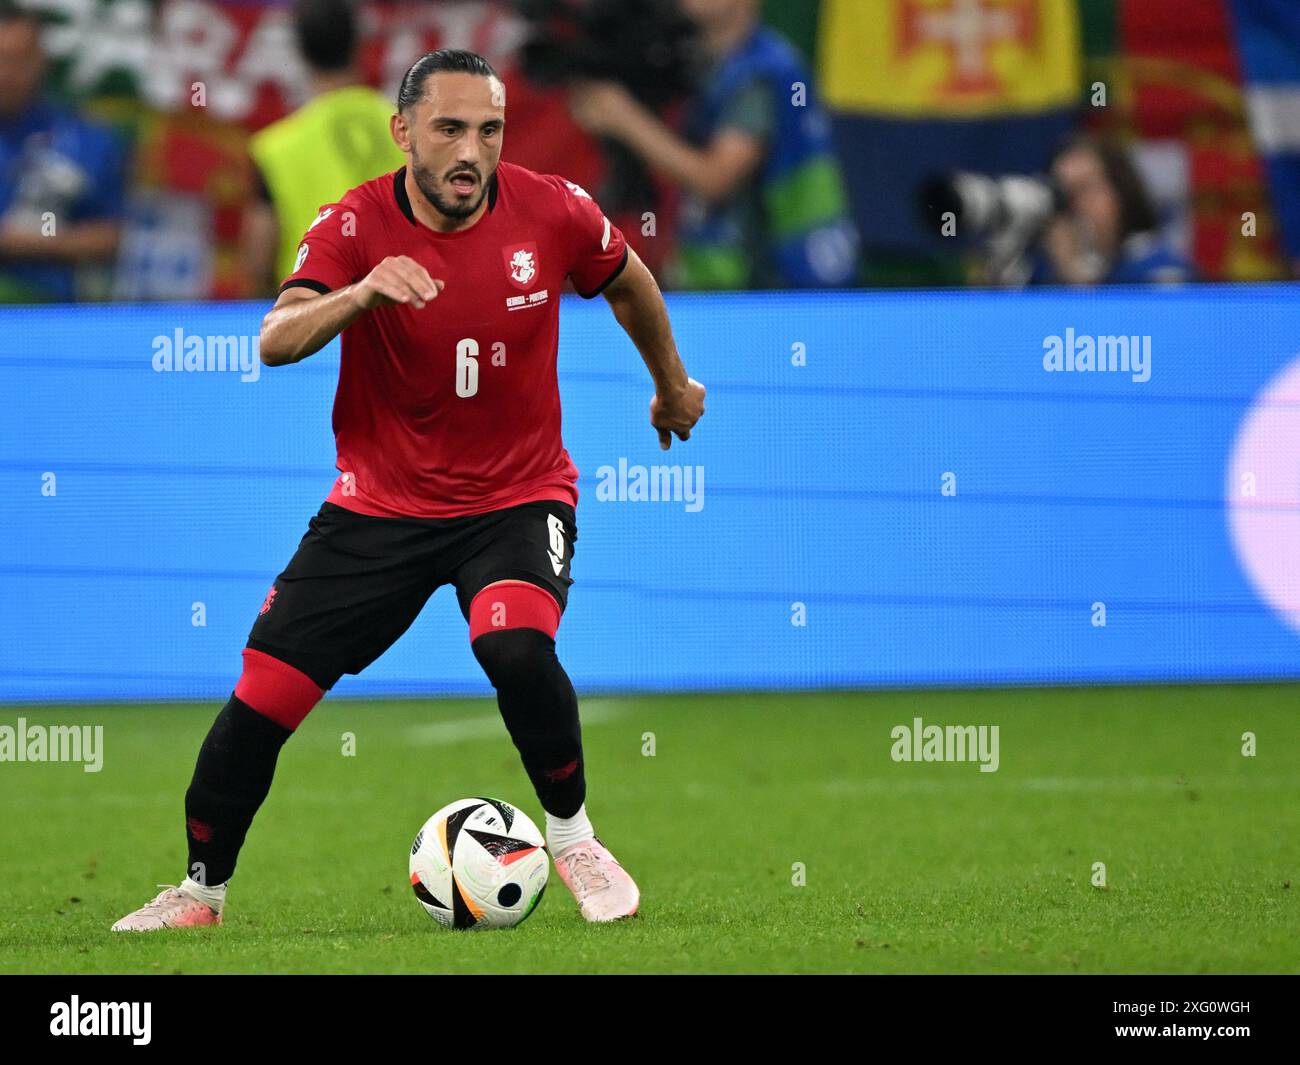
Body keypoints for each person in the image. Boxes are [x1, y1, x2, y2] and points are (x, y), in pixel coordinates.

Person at [111, 49, 705, 931]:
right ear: (404, 134)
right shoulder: (353, 226)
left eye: (490, 130)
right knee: (259, 702)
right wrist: (360, 294)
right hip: (378, 509)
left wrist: (671, 382)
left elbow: (628, 282)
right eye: (450, 129)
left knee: (512, 644)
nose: (472, 151)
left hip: (516, 496)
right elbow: (275, 339)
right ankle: (199, 894)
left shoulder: (552, 208)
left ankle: (573, 837)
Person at [566, 0, 858, 290]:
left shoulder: (762, 73)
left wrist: (623, 117)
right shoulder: (695, 65)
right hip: (716, 285)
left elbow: (716, 177)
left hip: (780, 289)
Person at [242, 0, 405, 295]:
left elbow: (257, 261)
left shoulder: (277, 147)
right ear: (359, 44)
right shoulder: (412, 130)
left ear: (300, 52)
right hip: (404, 313)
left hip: (316, 317)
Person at [0, 3, 126, 302]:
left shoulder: (86, 140)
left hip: (47, 308)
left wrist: (23, 243)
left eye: (17, 60)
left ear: (42, 61)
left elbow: (110, 237)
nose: (5, 74)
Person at [1034, 133, 1195, 286]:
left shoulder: (1155, 267)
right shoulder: (1041, 271)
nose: (1073, 203)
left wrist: (1076, 279)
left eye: (1085, 188)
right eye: (1062, 193)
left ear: (1120, 191)